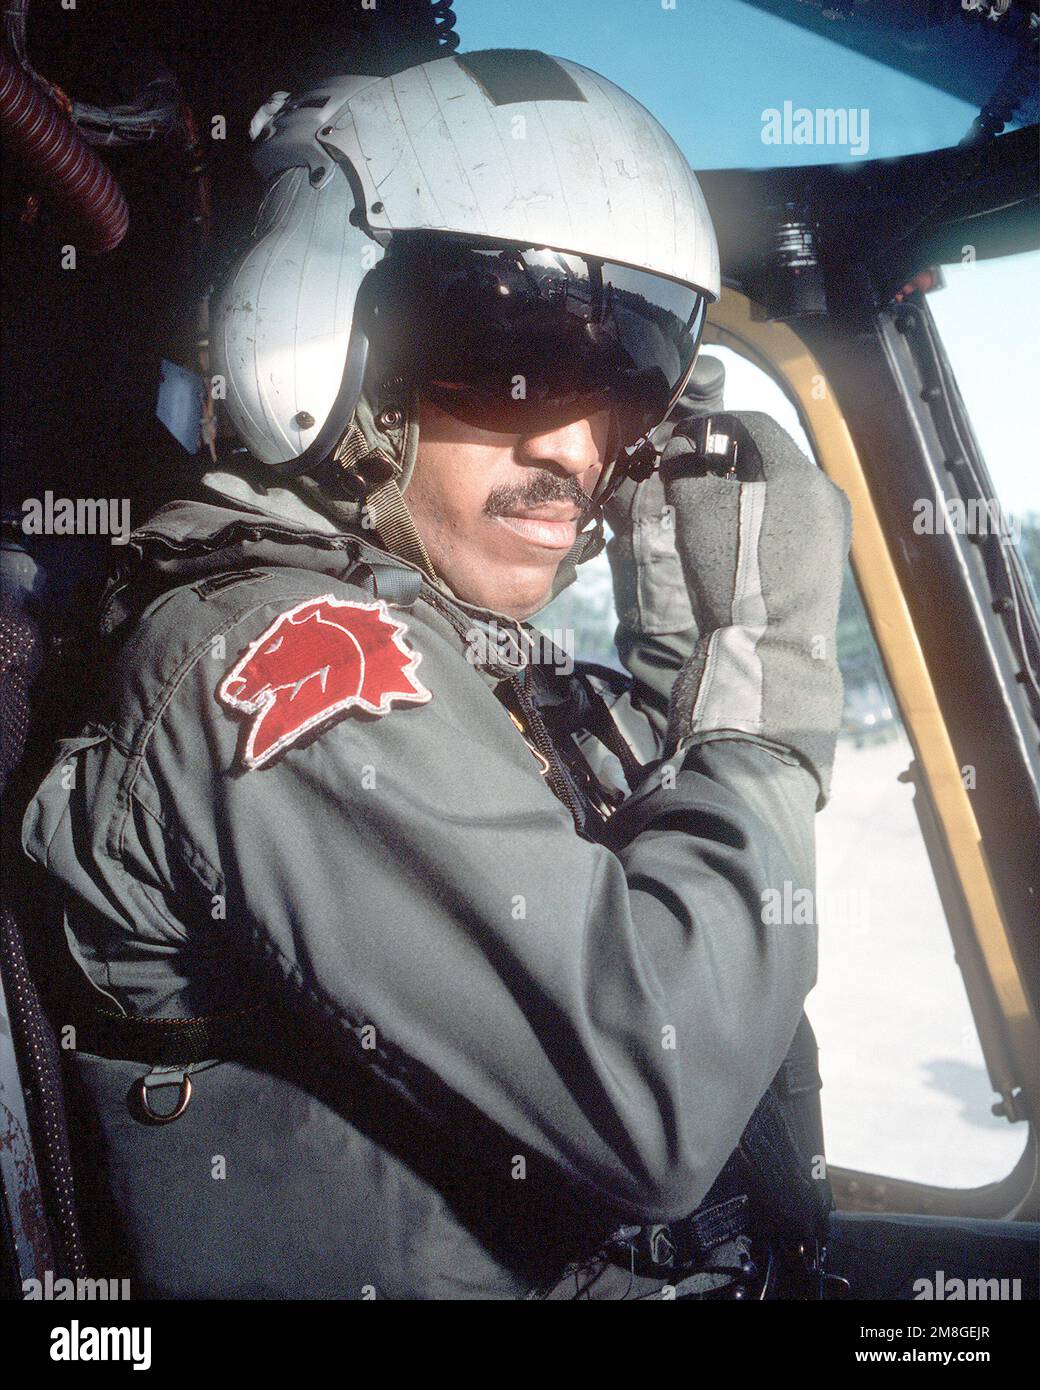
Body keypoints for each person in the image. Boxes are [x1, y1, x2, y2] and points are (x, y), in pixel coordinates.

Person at [20, 48, 851, 1299]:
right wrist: (757, 719)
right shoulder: (284, 659)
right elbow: (654, 1091)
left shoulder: (444, 651)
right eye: (505, 347)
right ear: (328, 333)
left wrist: (686, 671)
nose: (575, 447)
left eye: (626, 375)